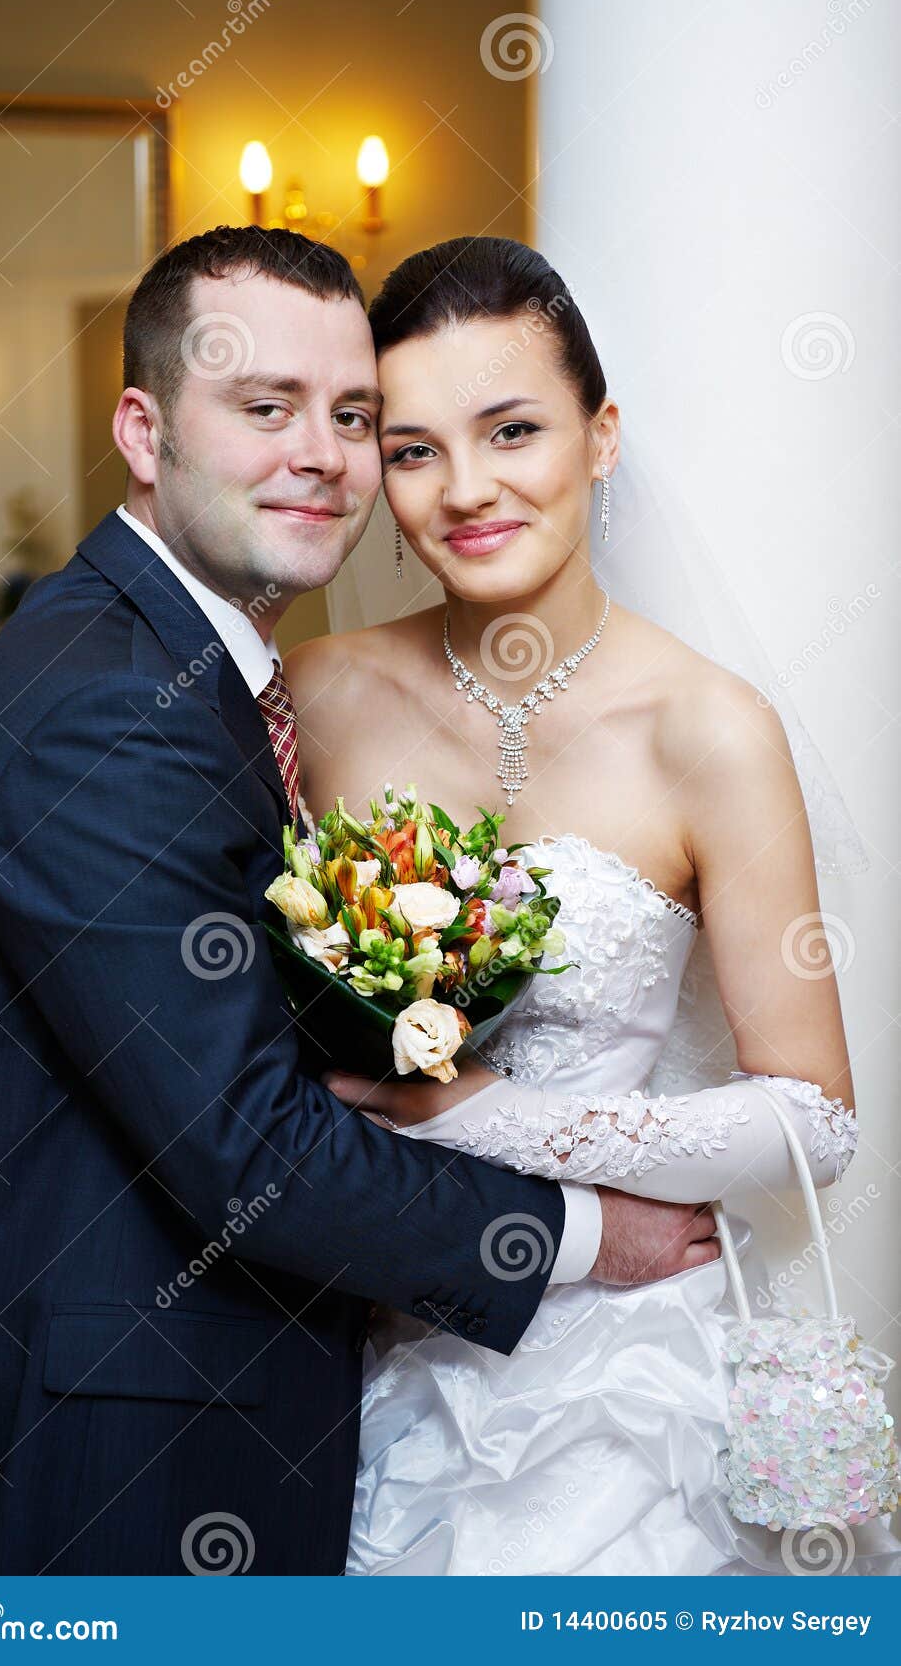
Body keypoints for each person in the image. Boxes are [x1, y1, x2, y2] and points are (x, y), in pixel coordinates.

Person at [0, 228, 709, 1578]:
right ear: (143, 429)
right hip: (94, 1467)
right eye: (264, 407)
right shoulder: (113, 709)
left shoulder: (205, 674)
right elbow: (253, 1152)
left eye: (354, 416)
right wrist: (599, 1232)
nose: (322, 452)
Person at [286, 235, 899, 1575]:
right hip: (365, 1346)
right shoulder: (314, 694)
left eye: (513, 430)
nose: (468, 489)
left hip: (624, 1387)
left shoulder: (710, 729)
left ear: (602, 435)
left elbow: (816, 1115)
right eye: (413, 449)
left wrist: (488, 1114)